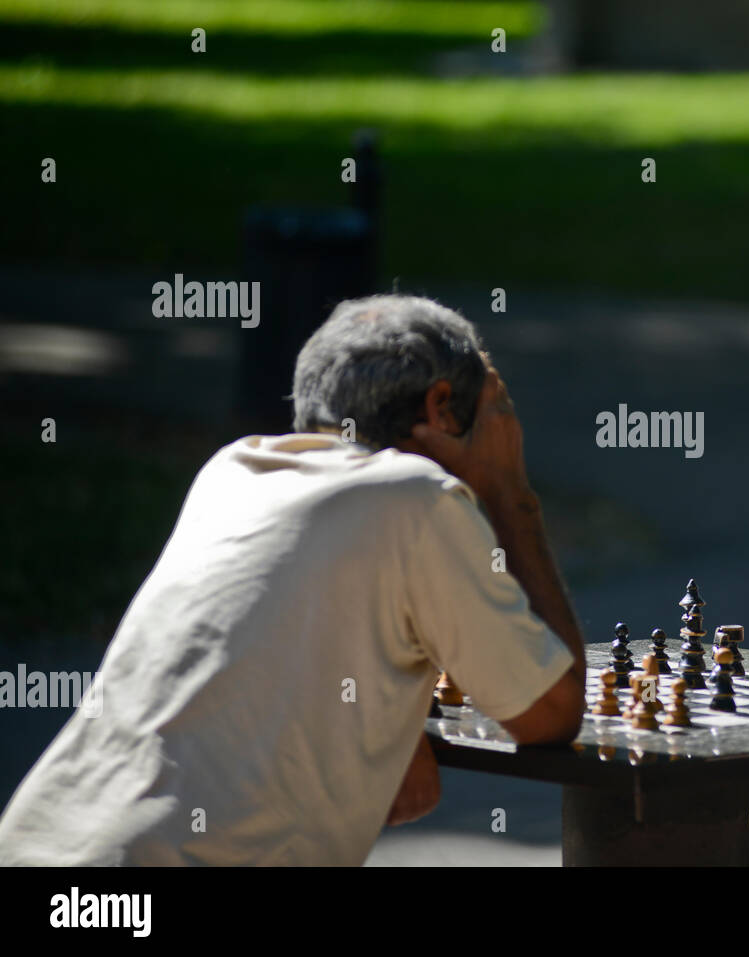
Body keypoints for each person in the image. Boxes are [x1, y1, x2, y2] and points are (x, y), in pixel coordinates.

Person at [0, 295, 586, 865]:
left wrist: (398, 724)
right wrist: (512, 496)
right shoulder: (418, 497)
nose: (510, 429)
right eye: (499, 409)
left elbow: (278, 644)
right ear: (439, 406)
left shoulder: (235, 471)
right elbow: (552, 714)